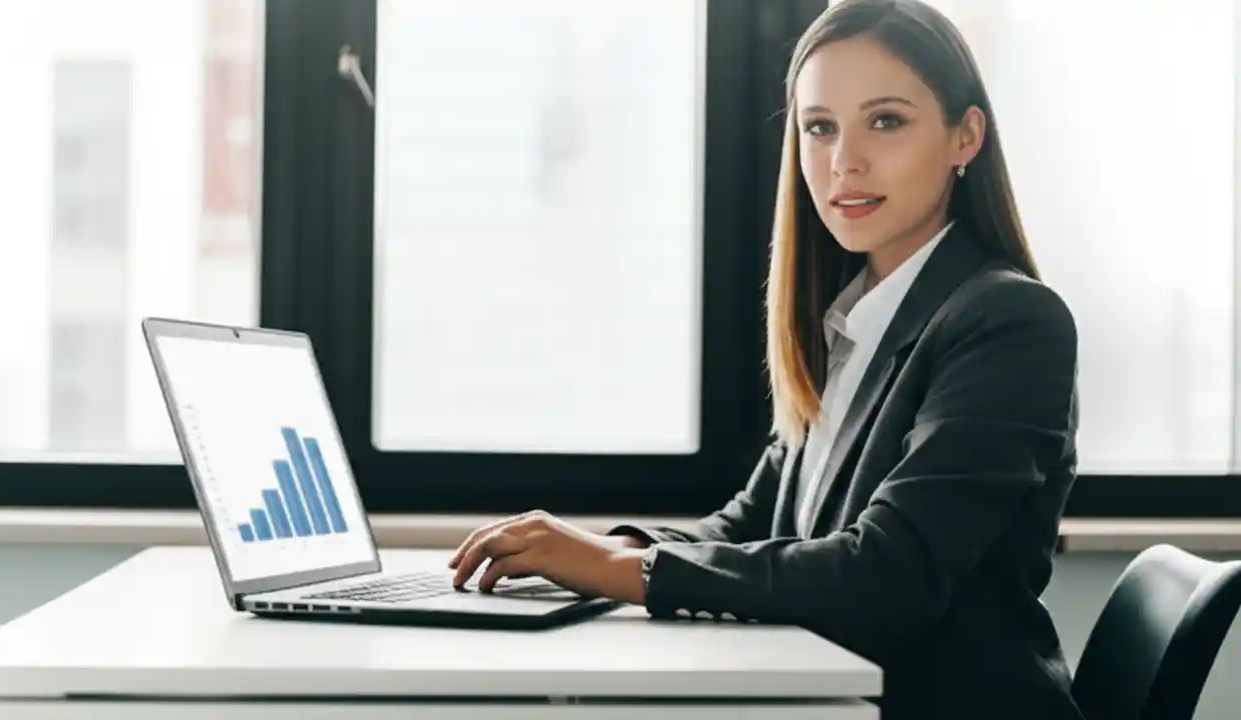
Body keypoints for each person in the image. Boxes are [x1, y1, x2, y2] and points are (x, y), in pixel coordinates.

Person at [448, 1, 1083, 717]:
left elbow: (889, 575)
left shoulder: (1010, 321)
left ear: (965, 135)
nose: (844, 160)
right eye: (819, 127)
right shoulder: (855, 318)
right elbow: (749, 528)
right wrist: (600, 551)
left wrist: (622, 570)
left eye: (886, 121)